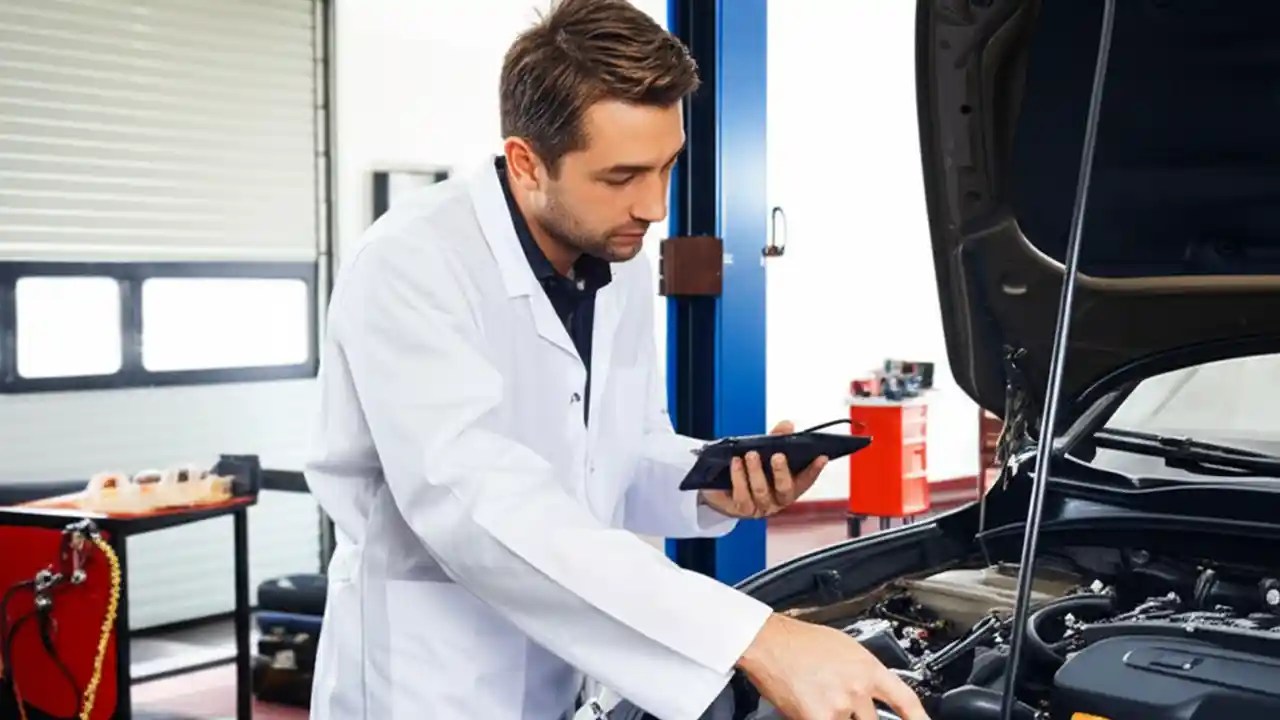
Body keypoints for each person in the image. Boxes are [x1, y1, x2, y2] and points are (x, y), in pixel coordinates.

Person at [303, 0, 930, 719]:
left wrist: (709, 485)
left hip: (568, 671)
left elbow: (619, 452)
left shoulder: (614, 254)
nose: (655, 206)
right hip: (432, 680)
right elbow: (476, 503)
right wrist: (758, 638)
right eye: (622, 175)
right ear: (525, 162)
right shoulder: (411, 264)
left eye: (667, 167)